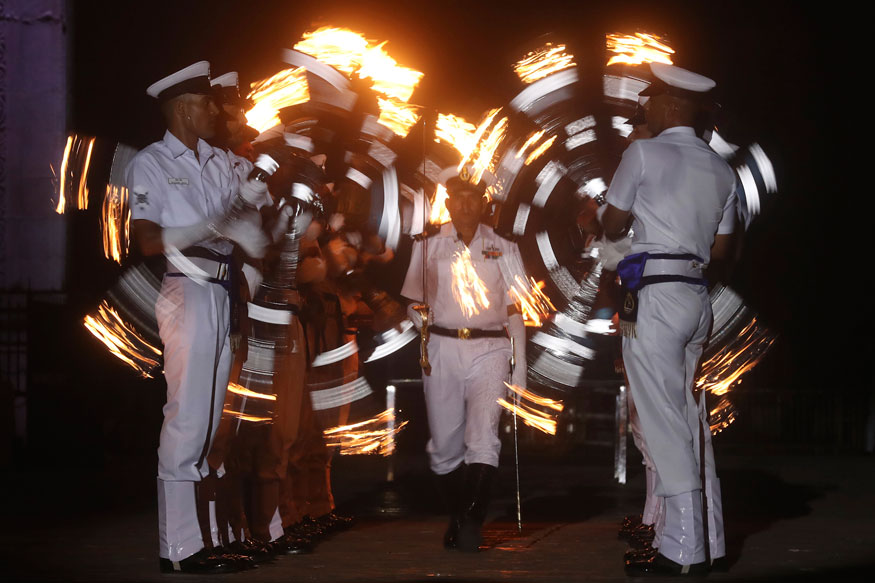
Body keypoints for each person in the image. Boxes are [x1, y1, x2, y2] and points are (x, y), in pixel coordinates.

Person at [126, 60, 270, 574]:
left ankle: (202, 540)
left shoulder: (215, 161)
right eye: (207, 103)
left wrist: (247, 220)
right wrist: (213, 225)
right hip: (186, 289)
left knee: (209, 424)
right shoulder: (151, 162)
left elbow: (247, 234)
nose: (217, 110)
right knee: (187, 419)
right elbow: (146, 239)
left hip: (223, 289)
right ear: (185, 109)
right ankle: (181, 548)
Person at [600, 62, 735, 576]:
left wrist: (630, 223)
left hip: (654, 296)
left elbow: (613, 220)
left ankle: (681, 549)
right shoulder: (722, 169)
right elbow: (722, 248)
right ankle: (710, 538)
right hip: (697, 296)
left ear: (670, 105)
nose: (644, 109)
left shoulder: (643, 151)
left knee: (662, 420)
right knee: (690, 416)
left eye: (649, 100)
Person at [401, 165, 527, 552]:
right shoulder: (427, 245)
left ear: (483, 202)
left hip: (490, 347)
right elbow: (412, 299)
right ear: (449, 202)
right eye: (459, 197)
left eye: (474, 197)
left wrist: (519, 367)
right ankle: (458, 514)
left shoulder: (504, 246)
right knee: (444, 449)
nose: (466, 204)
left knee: (483, 436)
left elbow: (515, 310)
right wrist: (417, 318)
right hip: (441, 347)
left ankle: (471, 522)